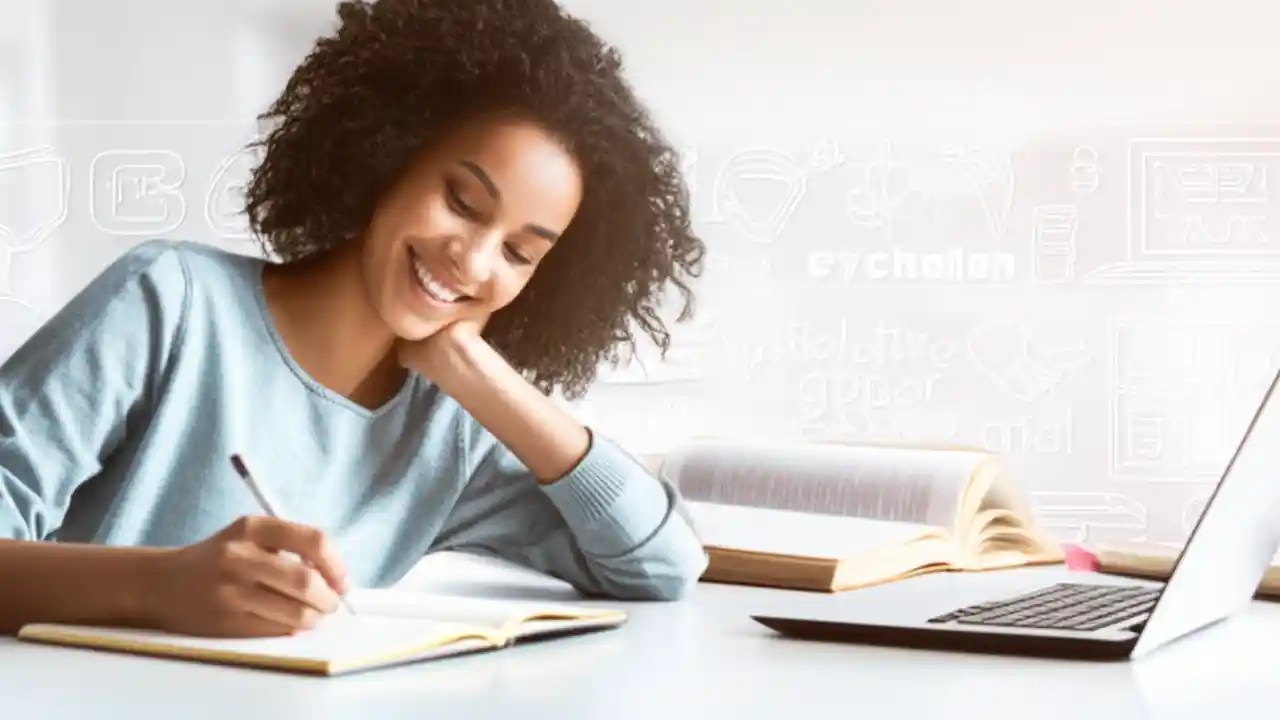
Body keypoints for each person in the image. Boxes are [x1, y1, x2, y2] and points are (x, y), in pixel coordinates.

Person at [0, 0, 709, 637]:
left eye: (520, 253)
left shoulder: (450, 435)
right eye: (462, 202)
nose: (472, 259)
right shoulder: (172, 304)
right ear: (388, 155)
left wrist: (483, 380)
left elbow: (662, 564)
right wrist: (161, 587)